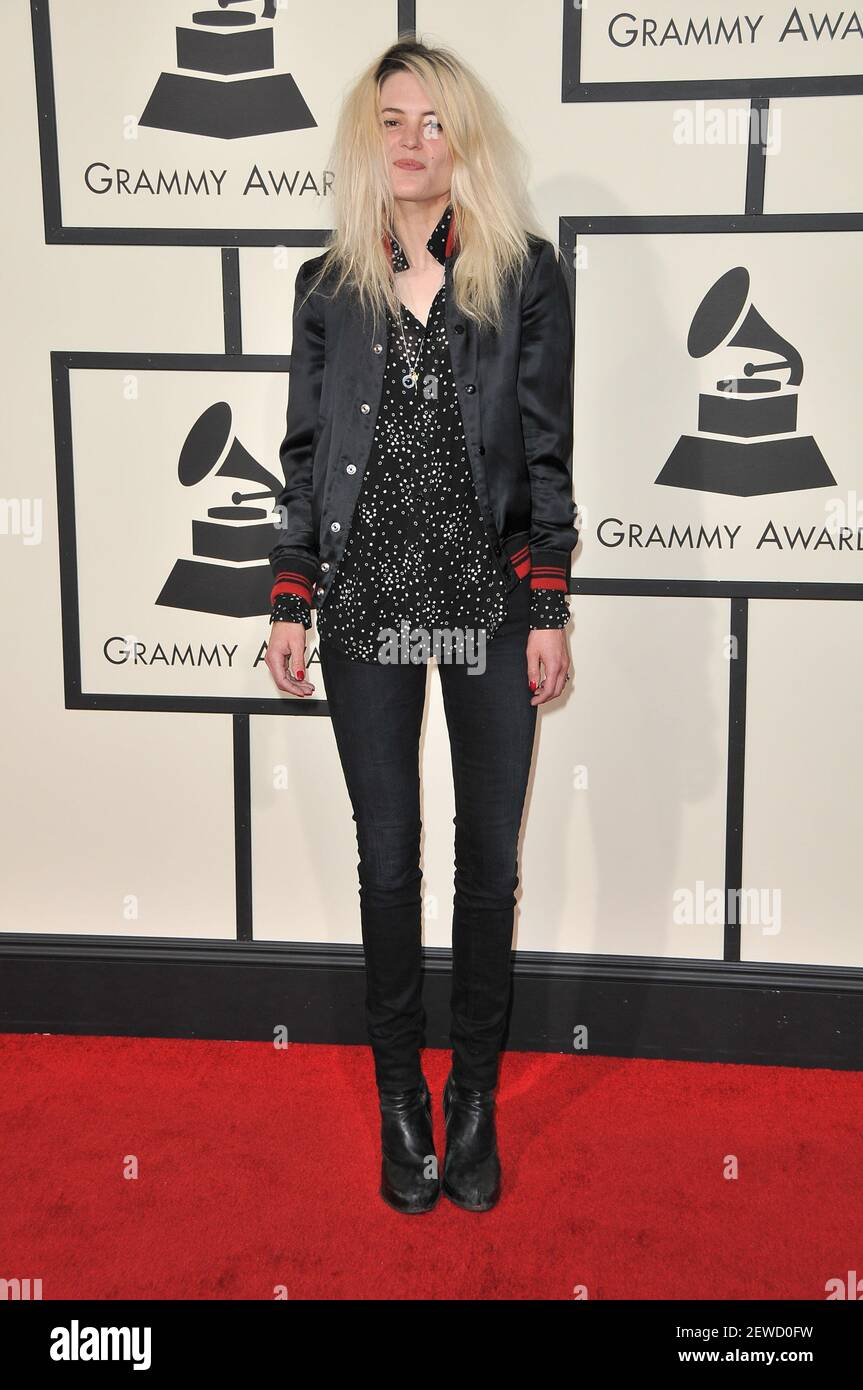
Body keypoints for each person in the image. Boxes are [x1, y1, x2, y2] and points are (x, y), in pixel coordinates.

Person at [265, 37, 579, 1215]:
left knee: (486, 866)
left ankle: (475, 1100)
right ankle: (402, 1098)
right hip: (364, 606)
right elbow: (302, 462)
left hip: (489, 604)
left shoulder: (522, 274)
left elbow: (544, 455)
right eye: (389, 120)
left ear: (463, 141)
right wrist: (291, 591)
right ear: (367, 140)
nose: (409, 141)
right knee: (386, 858)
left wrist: (545, 603)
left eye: (432, 121)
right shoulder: (323, 285)